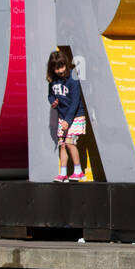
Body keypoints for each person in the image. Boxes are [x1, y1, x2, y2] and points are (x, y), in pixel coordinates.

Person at [46, 49, 86, 182]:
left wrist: (68, 121)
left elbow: (75, 102)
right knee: (62, 144)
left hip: (74, 117)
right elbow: (51, 95)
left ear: (66, 64)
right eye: (57, 68)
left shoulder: (73, 78)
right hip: (62, 117)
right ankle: (63, 173)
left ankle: (78, 171)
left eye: (62, 67)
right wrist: (53, 102)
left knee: (70, 143)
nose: (60, 71)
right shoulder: (53, 81)